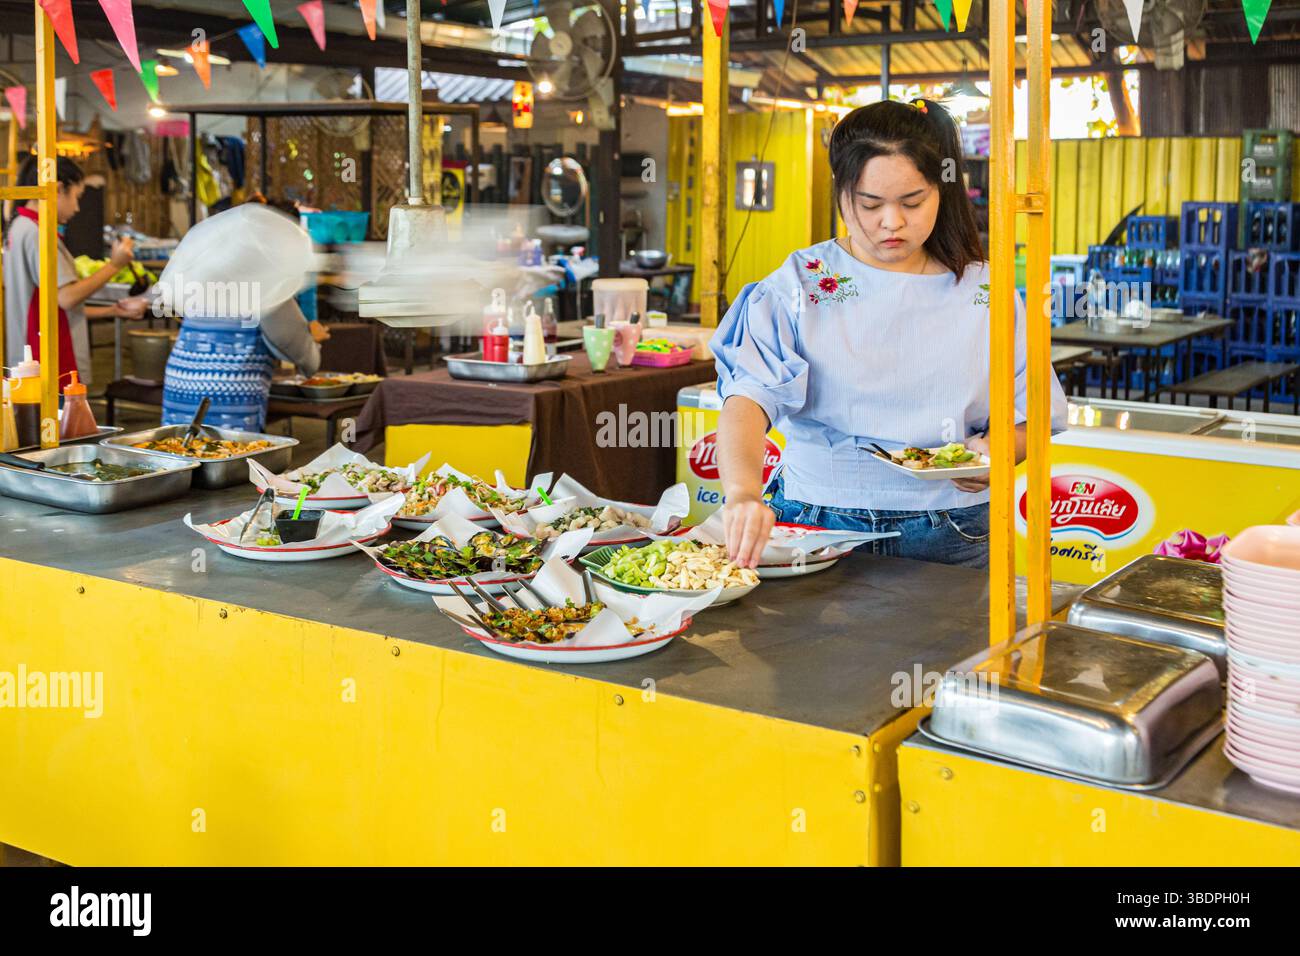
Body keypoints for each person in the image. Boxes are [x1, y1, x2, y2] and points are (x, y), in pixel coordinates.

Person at [712, 98, 1068, 570]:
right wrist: (742, 493)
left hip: (949, 527)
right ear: (841, 194)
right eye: (871, 204)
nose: (892, 222)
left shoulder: (985, 289)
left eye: (912, 202)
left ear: (942, 192)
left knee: (952, 648)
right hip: (816, 519)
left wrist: (997, 453)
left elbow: (1035, 409)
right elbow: (748, 397)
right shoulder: (803, 280)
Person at [157, 203, 330, 432]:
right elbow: (298, 350)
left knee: (180, 454)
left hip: (180, 385)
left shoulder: (205, 278)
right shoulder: (266, 289)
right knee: (231, 460)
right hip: (229, 393)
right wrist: (314, 343)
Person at [3, 156, 140, 382]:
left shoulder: (18, 226)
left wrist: (111, 311)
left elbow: (50, 305)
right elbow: (67, 298)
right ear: (57, 189)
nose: (77, 208)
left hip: (28, 360)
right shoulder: (38, 233)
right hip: (49, 362)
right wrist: (115, 265)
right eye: (76, 197)